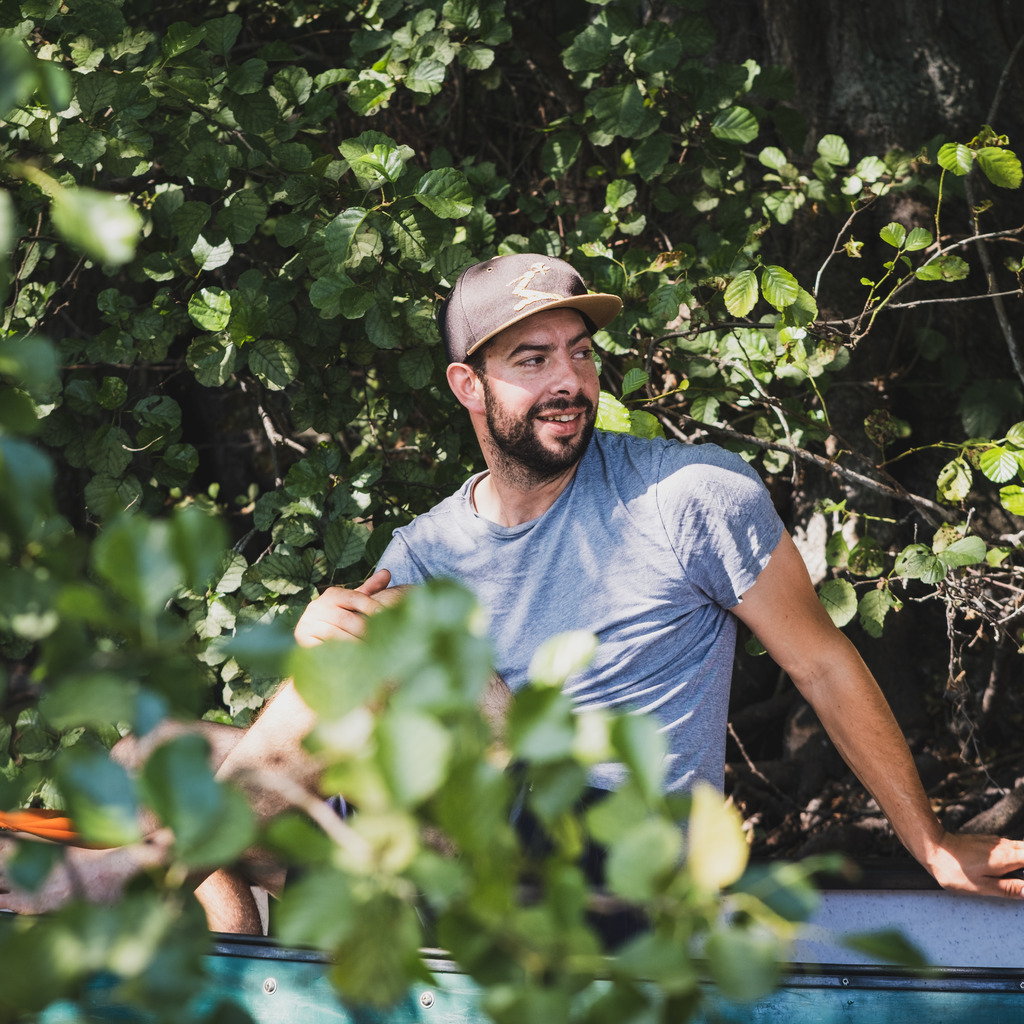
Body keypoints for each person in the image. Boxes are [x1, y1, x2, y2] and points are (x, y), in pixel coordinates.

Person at [2, 255, 1022, 929]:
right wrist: (320, 632)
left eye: (578, 351)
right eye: (531, 359)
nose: (568, 378)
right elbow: (310, 717)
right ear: (467, 387)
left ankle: (128, 888)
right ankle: (236, 952)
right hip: (467, 844)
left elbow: (822, 661)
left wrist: (927, 842)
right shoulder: (429, 542)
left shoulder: (692, 493)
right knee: (162, 752)